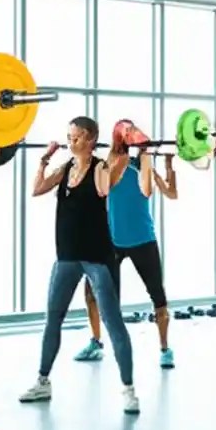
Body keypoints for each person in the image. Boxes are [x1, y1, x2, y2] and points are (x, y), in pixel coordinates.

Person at [18, 118, 139, 413]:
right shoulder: (65, 169)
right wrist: (44, 161)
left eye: (74, 137)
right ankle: (43, 381)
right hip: (67, 258)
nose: (69, 142)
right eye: (68, 137)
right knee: (53, 319)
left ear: (88, 138)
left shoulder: (98, 168)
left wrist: (115, 158)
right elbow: (37, 188)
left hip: (97, 259)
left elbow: (103, 189)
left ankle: (128, 389)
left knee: (113, 323)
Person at [73, 124, 178, 370]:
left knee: (158, 296)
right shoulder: (110, 166)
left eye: (132, 131)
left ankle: (165, 348)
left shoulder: (144, 167)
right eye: (125, 132)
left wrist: (168, 165)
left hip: (143, 240)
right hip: (112, 241)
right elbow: (100, 184)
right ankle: (96, 343)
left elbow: (170, 193)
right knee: (91, 292)